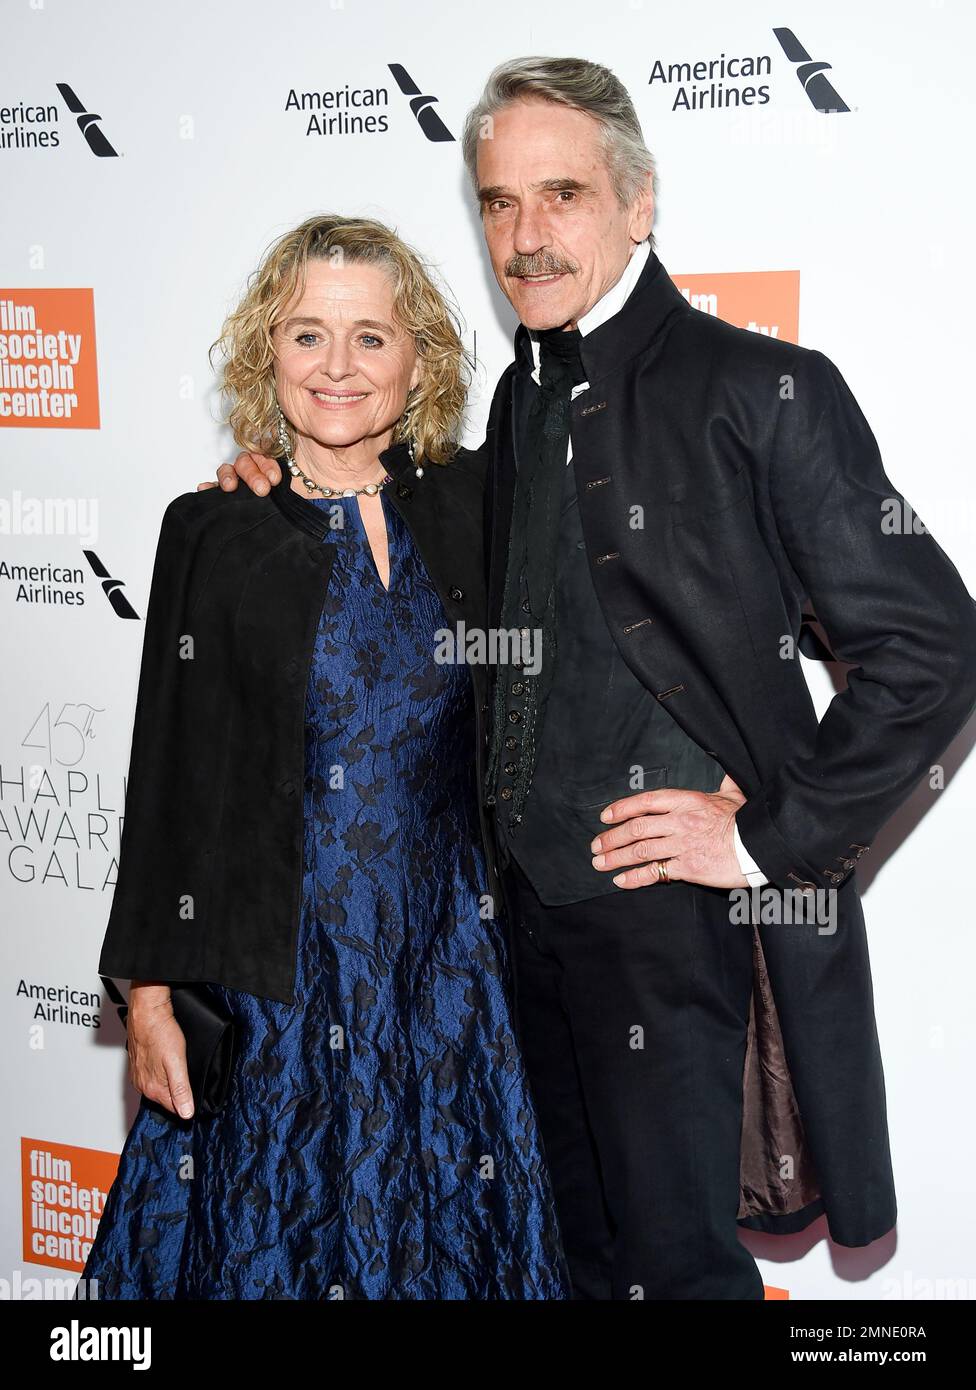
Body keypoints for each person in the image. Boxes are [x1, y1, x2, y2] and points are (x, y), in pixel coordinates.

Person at [212, 59, 976, 1301]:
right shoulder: (515, 403)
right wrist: (258, 488)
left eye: (560, 194)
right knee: (569, 1266)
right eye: (499, 202)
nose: (525, 235)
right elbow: (390, 513)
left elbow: (934, 645)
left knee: (679, 1274)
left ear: (638, 203)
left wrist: (766, 841)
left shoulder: (762, 389)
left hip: (673, 927)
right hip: (515, 930)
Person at [79, 214, 569, 1301]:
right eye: (307, 336)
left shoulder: (477, 505)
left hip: (447, 968)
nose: (337, 368)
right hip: (274, 980)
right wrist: (149, 994)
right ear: (268, 355)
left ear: (419, 359)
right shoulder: (213, 530)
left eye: (370, 338)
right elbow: (167, 771)